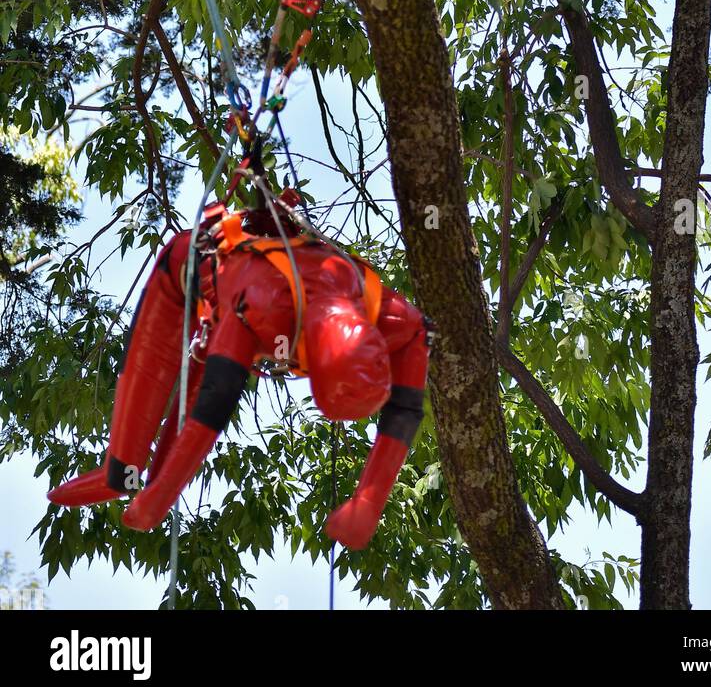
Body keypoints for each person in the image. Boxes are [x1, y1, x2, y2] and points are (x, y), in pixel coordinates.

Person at [47, 201, 429, 551]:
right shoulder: (265, 306)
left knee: (208, 364)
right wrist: (161, 496)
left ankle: (137, 481)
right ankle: (121, 475)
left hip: (249, 298)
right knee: (130, 458)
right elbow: (214, 401)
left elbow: (407, 410)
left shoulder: (396, 320)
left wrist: (368, 502)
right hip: (187, 270)